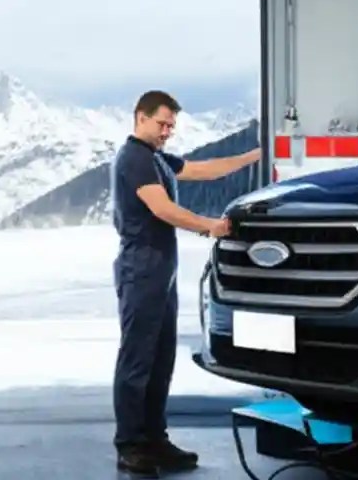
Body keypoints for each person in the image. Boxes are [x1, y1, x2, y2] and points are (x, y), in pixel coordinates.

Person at [111, 90, 263, 476]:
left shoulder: (158, 159)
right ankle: (131, 445)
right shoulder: (135, 159)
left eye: (171, 126)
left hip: (161, 270)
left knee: (160, 360)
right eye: (161, 124)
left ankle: (154, 439)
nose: (166, 132)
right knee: (137, 360)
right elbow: (163, 209)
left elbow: (204, 170)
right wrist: (209, 226)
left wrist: (256, 156)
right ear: (140, 118)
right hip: (141, 268)